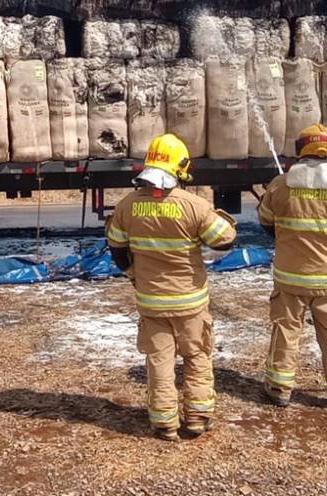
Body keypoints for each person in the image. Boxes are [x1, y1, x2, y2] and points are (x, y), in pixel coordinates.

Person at [106, 133, 237, 441]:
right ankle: (197, 418)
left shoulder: (127, 206)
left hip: (151, 301)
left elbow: (115, 248)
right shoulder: (194, 206)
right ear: (180, 168)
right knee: (197, 357)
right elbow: (226, 239)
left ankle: (164, 422)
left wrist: (133, 274)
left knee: (159, 360)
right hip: (190, 302)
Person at [256, 123, 327, 409]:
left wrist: (289, 241)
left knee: (286, 330)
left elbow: (266, 223)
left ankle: (279, 387)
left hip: (291, 277)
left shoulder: (281, 185)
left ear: (300, 148)